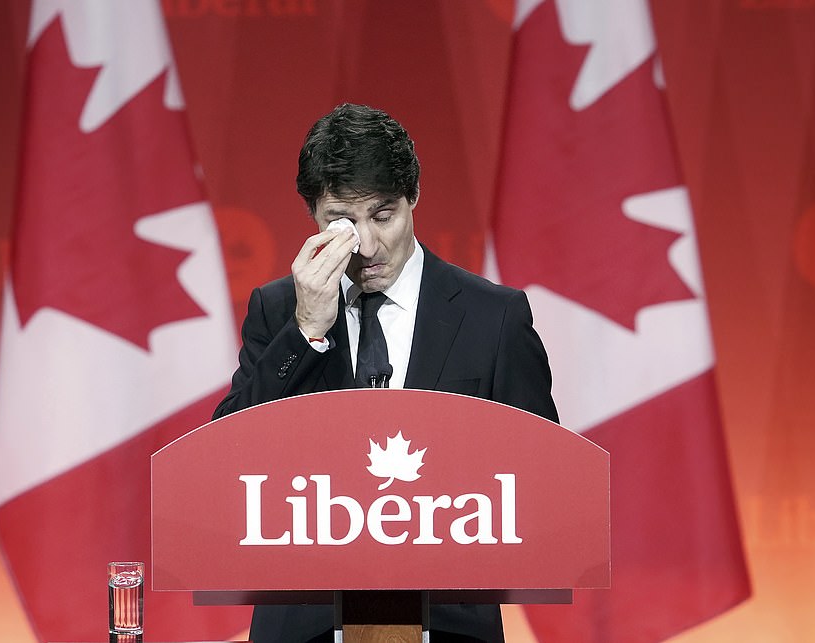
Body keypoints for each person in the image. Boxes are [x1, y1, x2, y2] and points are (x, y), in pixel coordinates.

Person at [213, 103, 558, 643]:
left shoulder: (495, 317)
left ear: (413, 198)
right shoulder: (279, 312)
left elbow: (546, 480)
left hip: (449, 628)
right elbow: (224, 463)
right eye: (342, 222)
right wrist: (305, 331)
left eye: (382, 215)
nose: (366, 247)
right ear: (312, 214)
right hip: (302, 628)